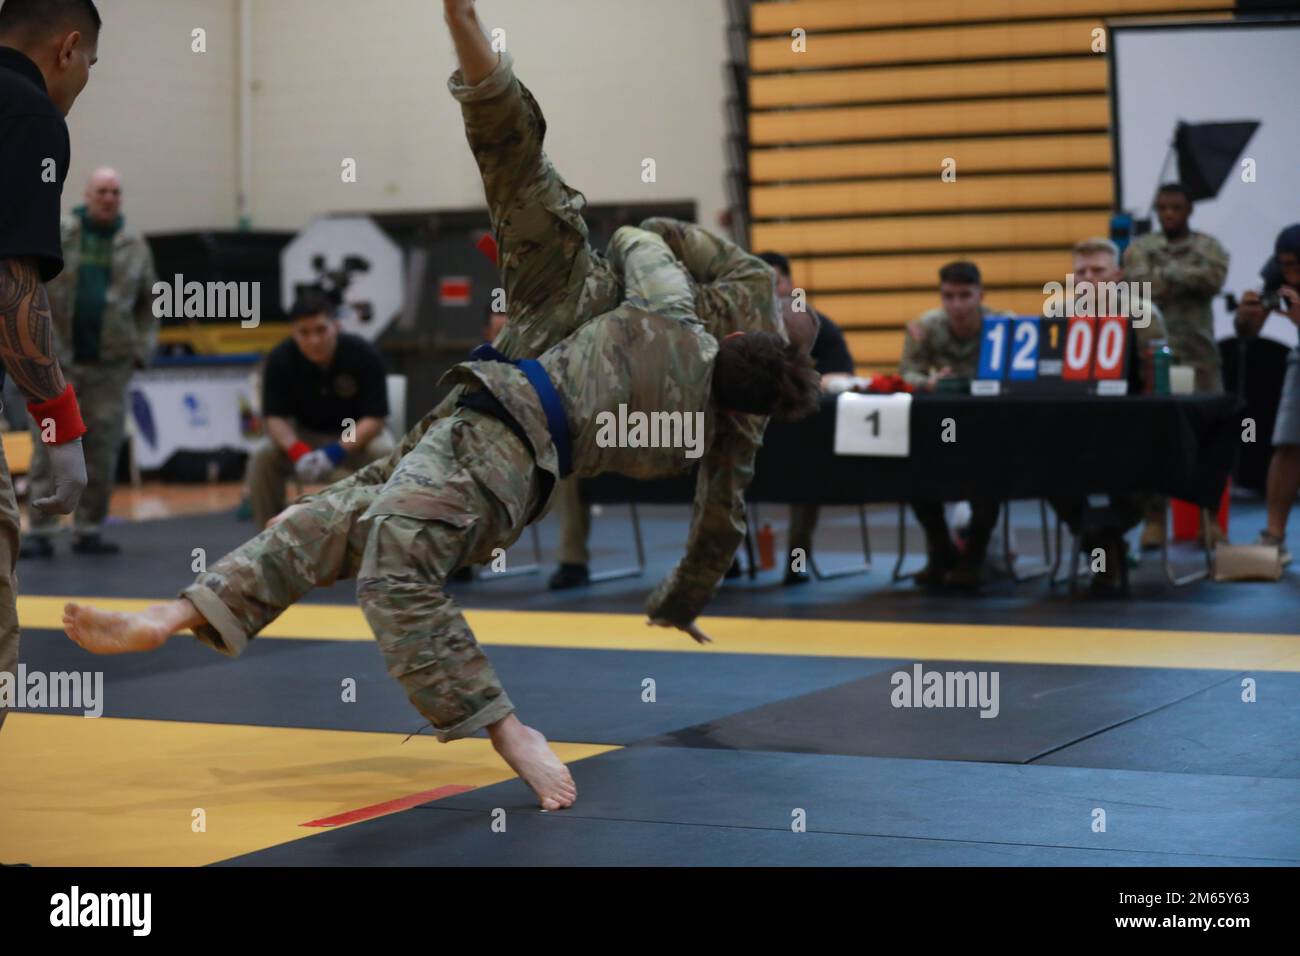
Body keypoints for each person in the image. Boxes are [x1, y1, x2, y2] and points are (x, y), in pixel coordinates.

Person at [60, 0, 816, 809]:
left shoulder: (718, 348)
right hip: (537, 350)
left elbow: (651, 246)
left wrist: (684, 593)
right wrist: (682, 600)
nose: (776, 312)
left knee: (385, 549)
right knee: (330, 518)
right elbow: (718, 510)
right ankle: (175, 613)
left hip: (541, 379)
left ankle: (501, 722)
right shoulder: (733, 366)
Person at [0, 0, 99, 736]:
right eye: (91, 63)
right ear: (69, 48)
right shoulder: (29, 114)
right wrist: (60, 423)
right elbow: (10, 284)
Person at [21, 167, 158, 557]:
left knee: (102, 447)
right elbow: (30, 284)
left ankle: (90, 528)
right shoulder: (60, 234)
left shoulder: (135, 245)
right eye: (102, 191)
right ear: (86, 194)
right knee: (47, 443)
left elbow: (149, 303)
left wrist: (140, 349)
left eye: (115, 192)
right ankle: (41, 531)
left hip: (110, 367)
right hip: (56, 361)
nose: (109, 198)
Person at [1047, 238, 1167, 592]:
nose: (1088, 279)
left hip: (1132, 431)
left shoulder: (1143, 314)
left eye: (1097, 271)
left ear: (1117, 275)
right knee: (1042, 468)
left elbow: (1158, 383)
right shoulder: (1060, 316)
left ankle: (1107, 543)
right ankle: (1101, 545)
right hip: (1074, 434)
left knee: (1137, 475)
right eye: (1081, 273)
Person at [1123, 182, 1230, 550]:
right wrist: (1184, 275)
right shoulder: (1140, 248)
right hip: (1154, 357)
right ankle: (1155, 520)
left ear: (1189, 210)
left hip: (1200, 356)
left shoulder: (1209, 246)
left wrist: (1164, 275)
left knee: (1208, 439)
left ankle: (1209, 519)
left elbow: (1213, 279)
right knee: (1155, 439)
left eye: (1176, 208)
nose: (1169, 214)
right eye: (1163, 208)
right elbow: (1138, 286)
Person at [247, 287, 394, 529]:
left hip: (355, 434)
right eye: (303, 333)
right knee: (262, 456)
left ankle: (383, 531)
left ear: (335, 325)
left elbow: (374, 418)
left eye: (320, 330)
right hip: (305, 435)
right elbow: (275, 418)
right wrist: (297, 450)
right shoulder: (279, 360)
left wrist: (334, 452)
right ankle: (265, 540)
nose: (313, 340)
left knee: (384, 450)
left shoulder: (363, 354)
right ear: (293, 333)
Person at [898, 260, 1003, 588]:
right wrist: (927, 383)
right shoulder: (925, 326)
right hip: (940, 427)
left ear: (980, 295)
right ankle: (941, 553)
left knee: (989, 482)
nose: (956, 304)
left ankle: (973, 558)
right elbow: (907, 372)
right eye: (949, 296)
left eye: (965, 295)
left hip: (991, 428)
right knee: (914, 477)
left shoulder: (1004, 325)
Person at [756, 251, 854, 585]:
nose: (769, 290)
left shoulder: (819, 328)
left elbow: (841, 377)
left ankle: (797, 562)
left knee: (804, 479)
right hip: (753, 432)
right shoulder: (737, 329)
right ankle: (723, 561)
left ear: (790, 285)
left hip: (804, 434)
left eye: (776, 281)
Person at [1234, 223, 1300, 566]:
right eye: (1285, 265)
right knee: (1288, 443)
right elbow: (1249, 331)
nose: (1289, 274)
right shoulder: (1279, 272)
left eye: (1296, 266)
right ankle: (1273, 536)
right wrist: (1247, 316)